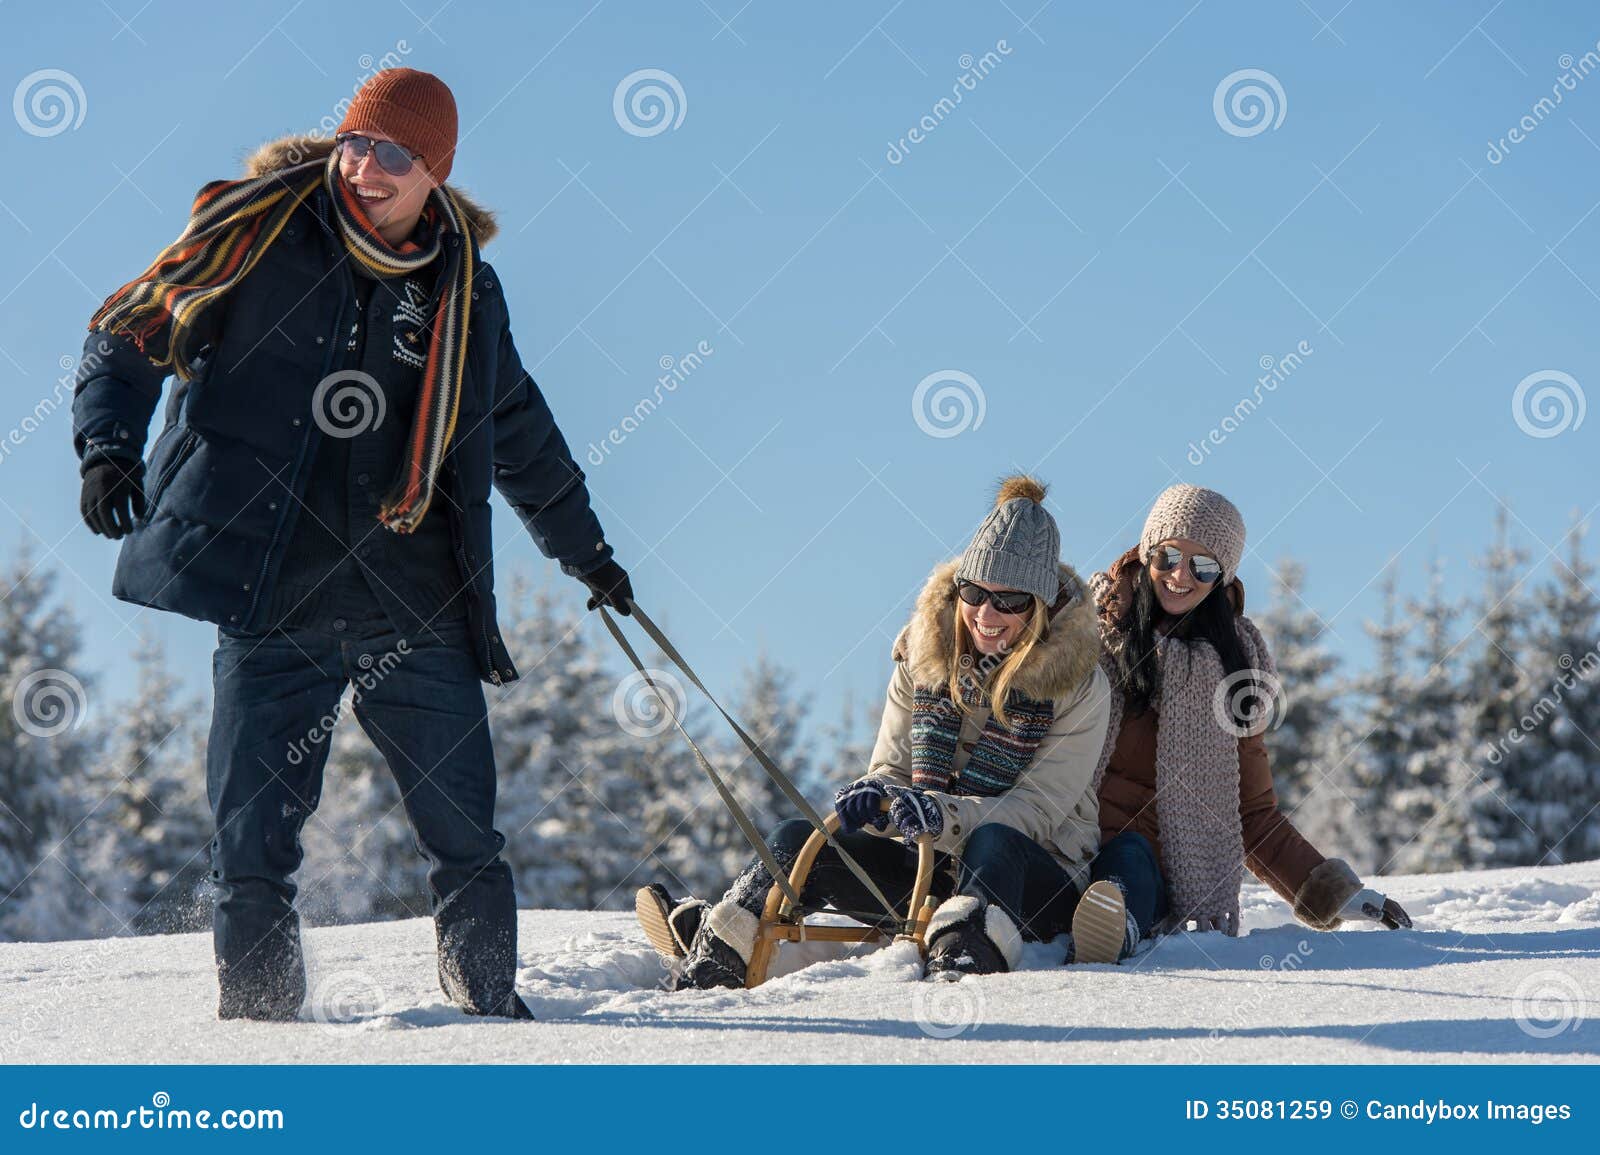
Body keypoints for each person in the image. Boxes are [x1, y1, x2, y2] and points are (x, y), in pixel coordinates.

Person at [71, 69, 633, 1021]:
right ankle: (258, 1031)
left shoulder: (463, 291)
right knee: (250, 848)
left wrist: (587, 554)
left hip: (413, 597)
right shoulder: (253, 237)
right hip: (270, 589)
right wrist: (104, 448)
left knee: (466, 837)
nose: (367, 169)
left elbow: (518, 430)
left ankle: (494, 1015)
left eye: (395, 156)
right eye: (358, 144)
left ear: (436, 175)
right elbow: (128, 333)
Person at [637, 476, 1112, 985]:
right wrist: (878, 796)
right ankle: (722, 947)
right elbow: (891, 767)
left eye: (1011, 601)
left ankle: (961, 969)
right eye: (974, 593)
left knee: (992, 843)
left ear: (1039, 606)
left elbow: (1036, 812)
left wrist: (941, 814)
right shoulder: (923, 657)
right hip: (925, 869)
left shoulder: (1079, 686)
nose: (987, 614)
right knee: (800, 840)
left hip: (1030, 879)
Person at [1081, 483, 1411, 963]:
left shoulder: (1233, 672)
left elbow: (1251, 815)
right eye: (1169, 555)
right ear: (1147, 553)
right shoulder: (1089, 638)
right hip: (1068, 845)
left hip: (1143, 873)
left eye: (1204, 565)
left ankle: (1112, 928)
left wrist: (1334, 892)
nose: (1180, 575)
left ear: (1223, 576)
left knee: (1129, 860)